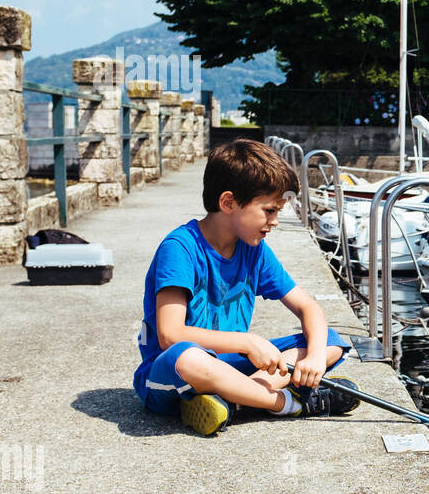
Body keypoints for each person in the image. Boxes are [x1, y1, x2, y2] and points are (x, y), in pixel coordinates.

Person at [132, 139, 358, 435]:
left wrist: (314, 356)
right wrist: (248, 342)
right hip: (172, 376)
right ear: (228, 203)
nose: (274, 222)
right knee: (187, 356)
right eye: (269, 210)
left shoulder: (254, 249)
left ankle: (233, 402)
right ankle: (284, 402)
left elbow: (307, 307)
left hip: (230, 369)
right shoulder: (180, 248)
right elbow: (170, 335)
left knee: (330, 340)